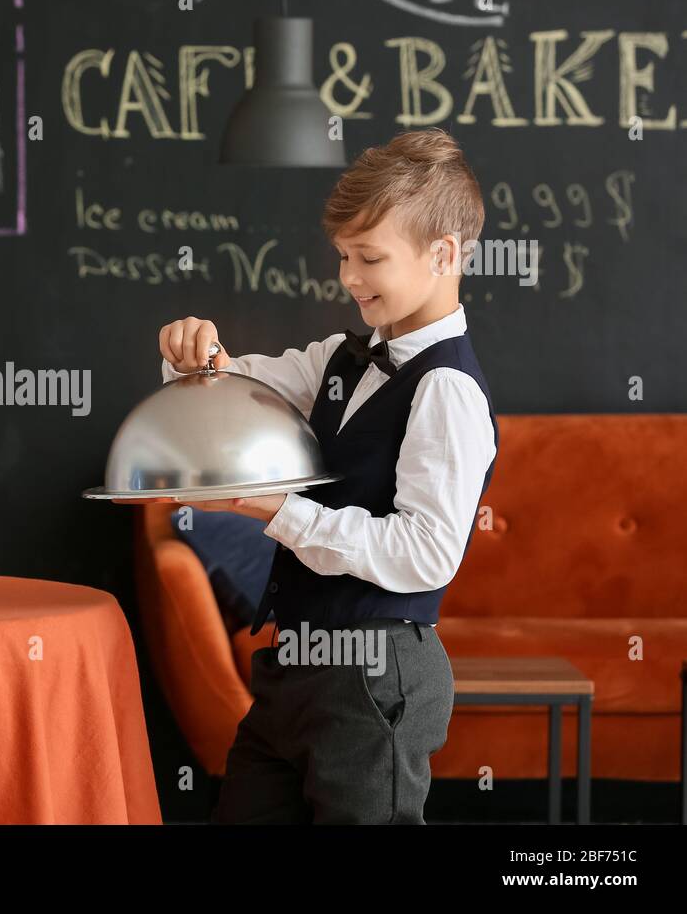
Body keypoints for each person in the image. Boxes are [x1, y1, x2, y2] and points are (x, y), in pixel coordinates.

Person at [158, 128, 498, 823]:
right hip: (294, 670)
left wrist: (279, 509)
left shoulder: (448, 391)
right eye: (343, 255)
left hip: (376, 679)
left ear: (445, 254)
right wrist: (193, 355)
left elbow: (427, 553)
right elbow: (228, 382)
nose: (347, 276)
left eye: (369, 257)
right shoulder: (337, 359)